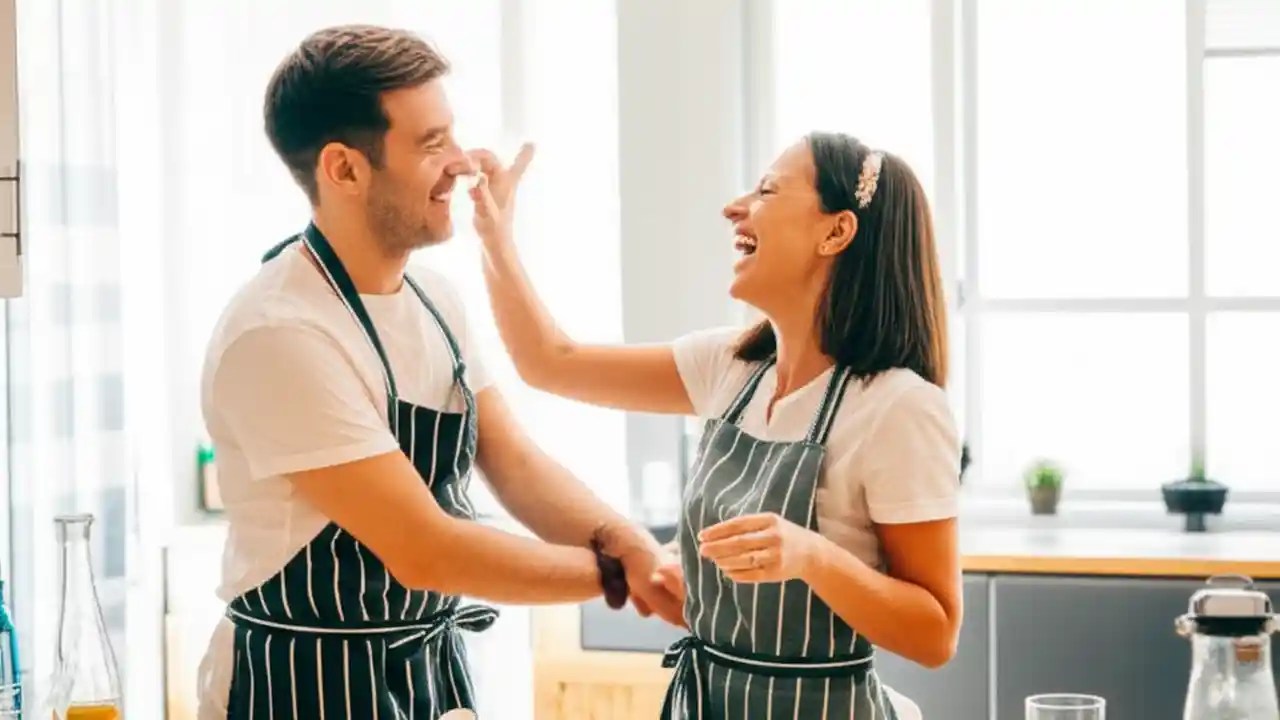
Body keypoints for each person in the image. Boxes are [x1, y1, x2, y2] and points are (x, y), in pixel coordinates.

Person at [195, 25, 679, 719]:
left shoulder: (435, 299)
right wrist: (629, 576)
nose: (464, 163)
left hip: (427, 671)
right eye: (431, 145)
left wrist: (623, 537)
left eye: (452, 136)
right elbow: (425, 550)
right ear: (344, 169)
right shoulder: (280, 334)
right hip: (303, 684)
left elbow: (512, 461)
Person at [470, 132, 961, 717]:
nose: (735, 206)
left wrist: (812, 557)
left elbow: (935, 634)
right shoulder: (729, 368)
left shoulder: (898, 407)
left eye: (767, 190)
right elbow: (550, 363)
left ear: (836, 232)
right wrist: (495, 240)